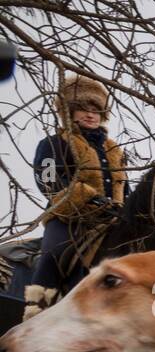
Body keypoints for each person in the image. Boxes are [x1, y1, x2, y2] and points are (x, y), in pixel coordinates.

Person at [25, 73, 128, 319]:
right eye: (82, 108)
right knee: (54, 253)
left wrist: (128, 209)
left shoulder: (114, 150)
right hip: (67, 218)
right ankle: (37, 311)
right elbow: (48, 182)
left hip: (111, 221)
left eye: (96, 109)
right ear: (69, 112)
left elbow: (124, 185)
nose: (90, 114)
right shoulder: (52, 144)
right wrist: (88, 198)